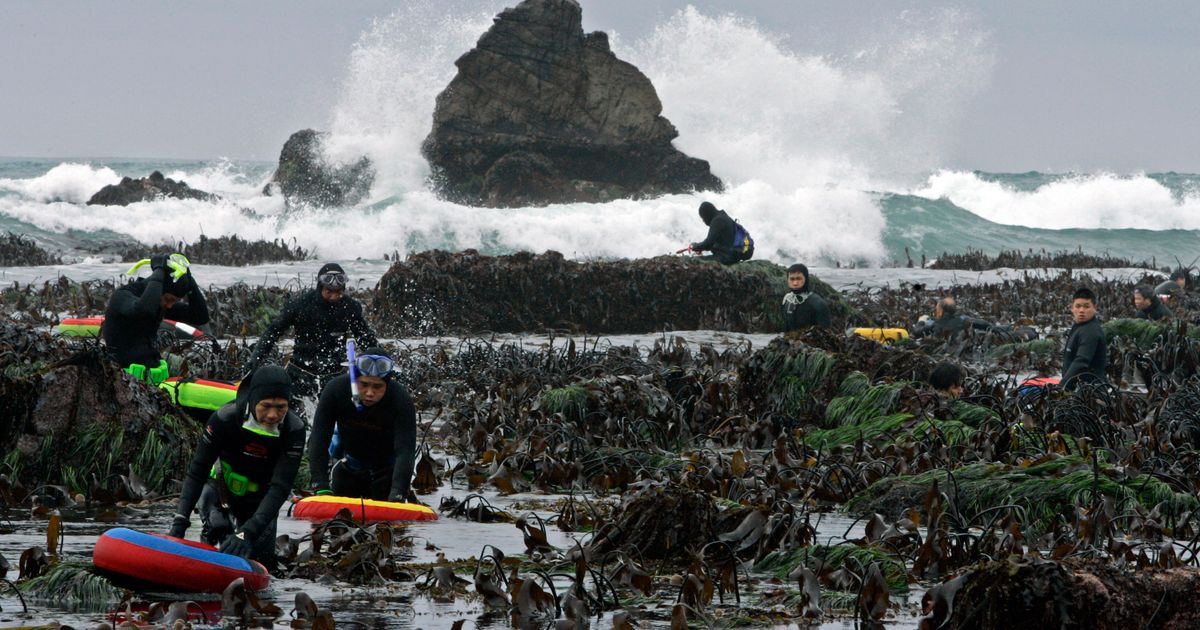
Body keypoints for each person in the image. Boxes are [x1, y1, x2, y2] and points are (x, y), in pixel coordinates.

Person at [168, 366, 305, 570]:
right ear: (253, 400)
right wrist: (179, 523)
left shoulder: (294, 429)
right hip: (221, 492)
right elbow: (198, 472)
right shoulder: (224, 418)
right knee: (219, 529)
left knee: (260, 563)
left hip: (261, 500)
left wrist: (248, 531)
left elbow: (281, 487)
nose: (273, 415)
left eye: (281, 407)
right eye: (266, 406)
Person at [245, 263, 378, 412]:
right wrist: (255, 359)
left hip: (335, 374)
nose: (334, 296)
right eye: (329, 292)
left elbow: (366, 339)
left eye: (339, 292)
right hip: (299, 372)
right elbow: (273, 332)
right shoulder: (300, 305)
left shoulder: (351, 307)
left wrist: (380, 363)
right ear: (320, 287)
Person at [307, 347, 417, 502]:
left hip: (386, 473)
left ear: (387, 384)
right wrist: (321, 486)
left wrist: (398, 492)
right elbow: (319, 439)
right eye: (364, 384)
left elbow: (405, 451)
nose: (370, 393)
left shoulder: (400, 399)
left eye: (377, 386)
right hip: (348, 470)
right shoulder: (336, 390)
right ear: (353, 381)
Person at [104, 253, 208, 383]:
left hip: (156, 375)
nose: (170, 306)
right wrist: (159, 272)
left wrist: (190, 281)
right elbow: (144, 310)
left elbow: (200, 316)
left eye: (174, 301)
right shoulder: (122, 296)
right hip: (126, 379)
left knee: (200, 371)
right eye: (168, 299)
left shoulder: (161, 303)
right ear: (159, 288)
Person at [1062, 287, 1107, 388]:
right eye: (1078, 306)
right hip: (1076, 387)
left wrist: (1062, 386)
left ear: (1095, 308)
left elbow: (1082, 362)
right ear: (1072, 308)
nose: (1081, 310)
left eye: (1086, 306)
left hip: (1090, 391)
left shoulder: (1091, 331)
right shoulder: (1078, 327)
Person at [687, 201, 754, 265]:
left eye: (702, 218)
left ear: (706, 214)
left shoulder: (717, 221)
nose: (703, 221)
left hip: (728, 257)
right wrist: (700, 246)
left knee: (693, 261)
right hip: (734, 254)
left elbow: (708, 244)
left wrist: (695, 246)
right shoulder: (723, 217)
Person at [782, 263, 831, 330]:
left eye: (798, 279)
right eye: (792, 279)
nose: (795, 283)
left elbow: (826, 334)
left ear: (806, 279)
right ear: (787, 280)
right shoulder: (787, 301)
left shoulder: (818, 304)